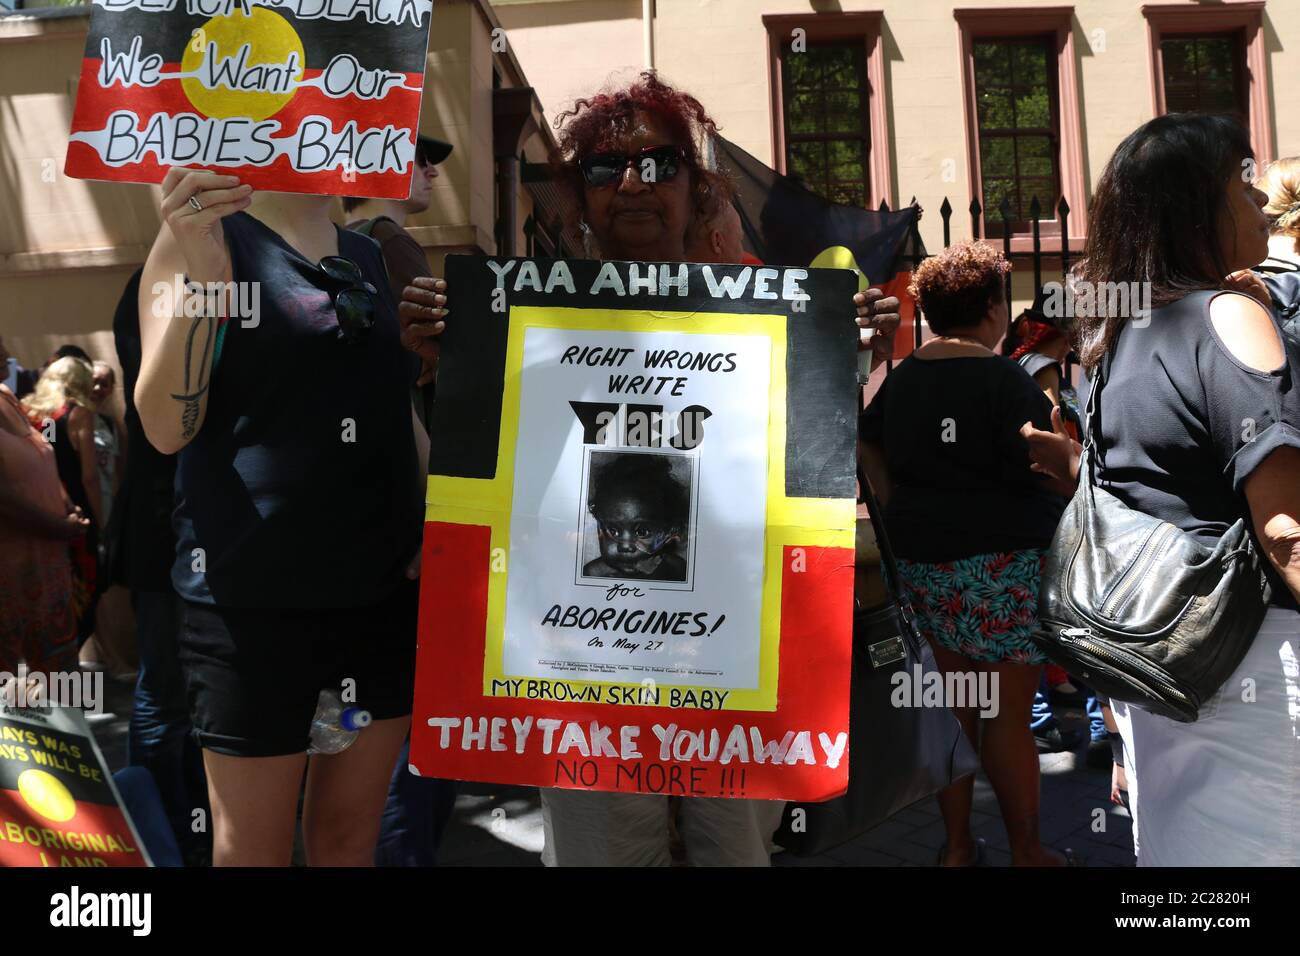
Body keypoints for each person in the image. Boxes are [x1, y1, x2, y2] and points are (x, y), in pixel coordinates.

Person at [399, 71, 901, 866]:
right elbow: (491, 473)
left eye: (658, 163)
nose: (632, 181)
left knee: (734, 856)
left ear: (697, 189)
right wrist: (444, 363)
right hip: (582, 681)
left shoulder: (773, 315)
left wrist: (859, 341)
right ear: (578, 194)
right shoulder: (518, 318)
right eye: (603, 167)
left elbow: (810, 448)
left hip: (736, 665)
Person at [1026, 113, 1300, 866]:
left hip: (1162, 662)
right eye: (1241, 191)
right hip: (1259, 659)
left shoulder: (1123, 337)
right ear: (1197, 210)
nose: (1261, 209)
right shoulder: (1228, 317)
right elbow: (1285, 530)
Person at [134, 167, 425, 866]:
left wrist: (446, 533)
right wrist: (203, 271)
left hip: (378, 604)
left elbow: (398, 418)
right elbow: (166, 425)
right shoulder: (201, 236)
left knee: (347, 841)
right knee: (251, 852)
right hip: (249, 611)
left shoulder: (370, 255)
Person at [859, 239, 1075, 867]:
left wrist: (908, 506)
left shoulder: (900, 385)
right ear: (992, 307)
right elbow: (1047, 464)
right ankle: (1028, 852)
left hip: (926, 564)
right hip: (1006, 564)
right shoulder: (1005, 378)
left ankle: (956, 848)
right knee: (1008, 718)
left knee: (956, 713)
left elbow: (872, 459)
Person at [342, 133, 459, 868]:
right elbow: (416, 403)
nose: (430, 171)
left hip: (356, 523)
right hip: (407, 519)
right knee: (412, 738)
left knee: (358, 732)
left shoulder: (334, 246)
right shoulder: (392, 248)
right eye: (418, 155)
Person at [0, 381, 85, 676]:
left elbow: (41, 458)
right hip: (9, 577)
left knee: (59, 690)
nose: (5, 354)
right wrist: (59, 527)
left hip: (47, 575)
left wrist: (68, 506)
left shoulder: (6, 397)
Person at [23, 356, 103, 646]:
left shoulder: (27, 410)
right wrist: (99, 520)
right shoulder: (78, 413)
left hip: (37, 509)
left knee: (47, 588)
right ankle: (66, 663)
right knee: (85, 589)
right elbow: (90, 476)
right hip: (74, 512)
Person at [583, 453, 690, 581]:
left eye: (642, 532)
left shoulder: (676, 569)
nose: (625, 546)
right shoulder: (593, 574)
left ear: (668, 532)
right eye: (613, 531)